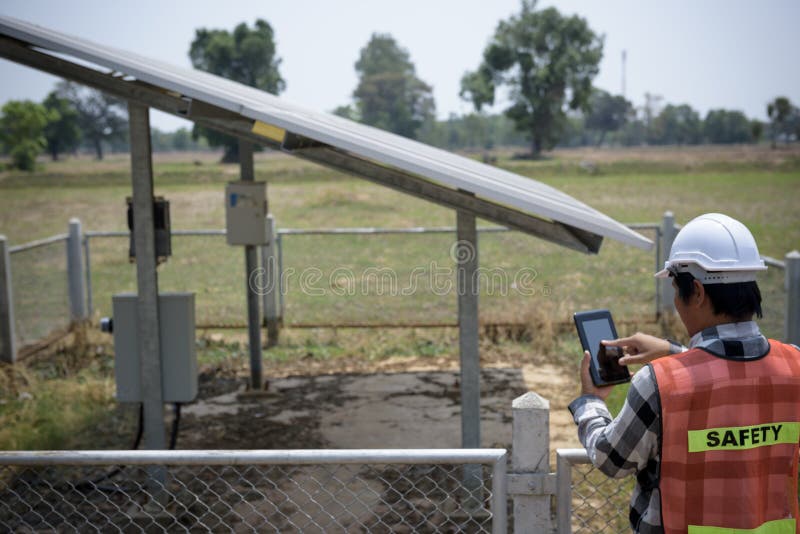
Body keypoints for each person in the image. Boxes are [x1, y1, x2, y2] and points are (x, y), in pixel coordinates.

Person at [569, 213, 800, 533]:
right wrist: (676, 352)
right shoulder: (795, 365)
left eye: (677, 290)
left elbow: (612, 459)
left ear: (699, 293)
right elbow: (733, 373)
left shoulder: (659, 383)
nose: (676, 301)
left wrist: (590, 402)